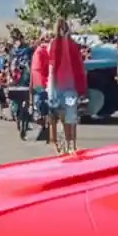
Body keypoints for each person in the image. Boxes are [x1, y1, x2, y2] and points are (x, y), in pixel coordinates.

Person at [45, 21, 86, 153]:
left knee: (67, 116)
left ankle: (69, 144)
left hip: (63, 87)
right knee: (68, 117)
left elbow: (52, 67)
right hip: (65, 87)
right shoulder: (67, 45)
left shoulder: (62, 45)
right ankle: (69, 144)